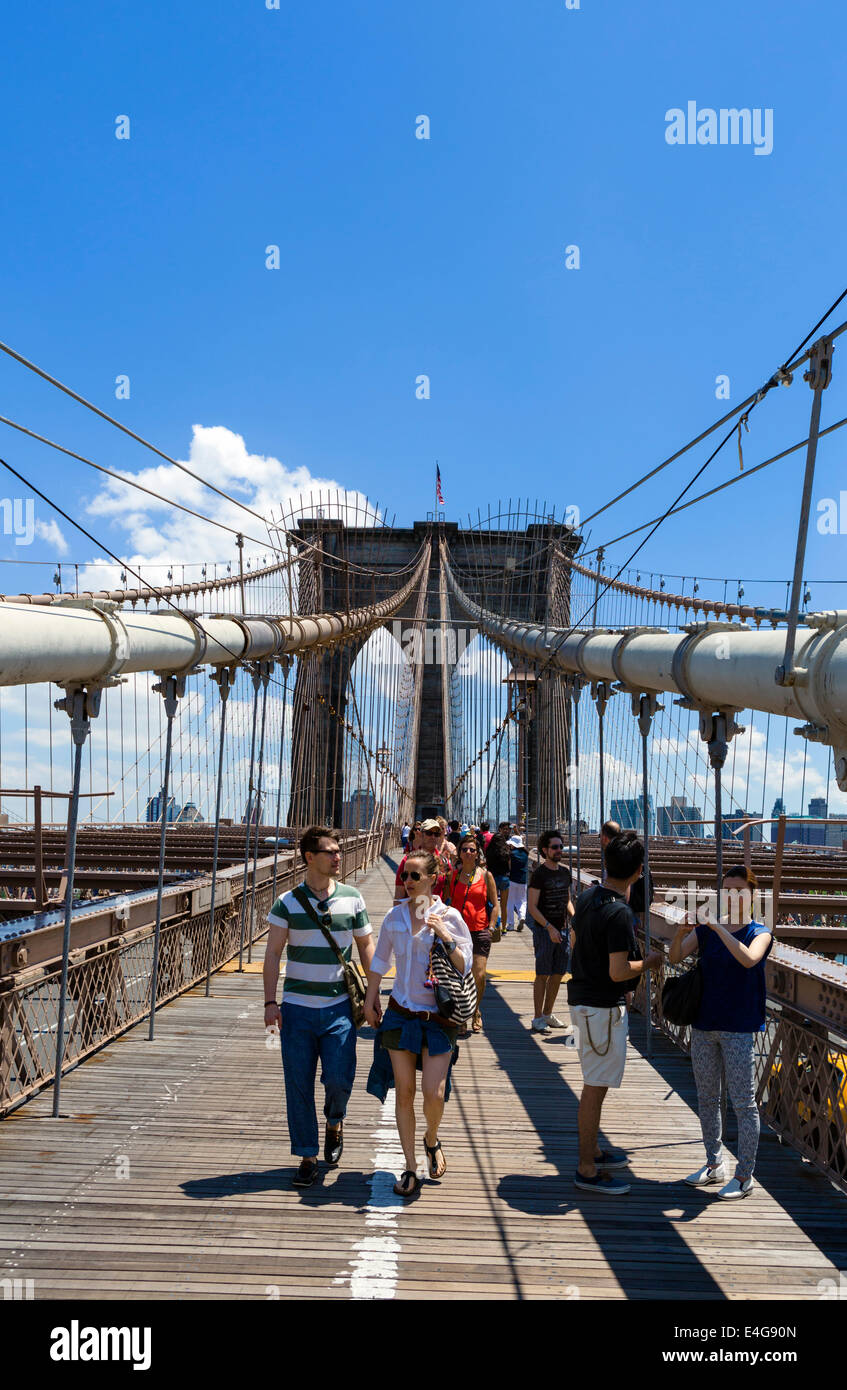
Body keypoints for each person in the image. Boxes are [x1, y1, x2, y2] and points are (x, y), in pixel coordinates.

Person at [264, 825, 375, 1188]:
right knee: (297, 1083)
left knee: (340, 1079)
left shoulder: (353, 898)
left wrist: (373, 998)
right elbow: (273, 955)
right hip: (296, 1008)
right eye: (330, 851)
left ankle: (334, 1120)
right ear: (310, 857)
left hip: (340, 1007)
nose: (338, 856)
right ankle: (307, 1155)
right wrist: (270, 1002)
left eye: (338, 851)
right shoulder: (287, 902)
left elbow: (367, 950)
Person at [364, 851, 473, 1197]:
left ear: (433, 878)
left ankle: (431, 1137)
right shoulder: (395, 917)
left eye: (414, 876)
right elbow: (379, 961)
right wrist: (370, 998)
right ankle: (410, 1167)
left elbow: (465, 964)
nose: (407, 882)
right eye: (404, 876)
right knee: (406, 1092)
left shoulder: (449, 916)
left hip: (439, 1020)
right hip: (401, 1013)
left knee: (433, 1094)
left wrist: (445, 934)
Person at [670, 864, 773, 1200]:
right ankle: (714, 1164)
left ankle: (745, 1175)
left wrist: (716, 926)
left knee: (744, 1103)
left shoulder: (761, 933)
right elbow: (674, 956)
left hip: (739, 1028)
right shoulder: (708, 931)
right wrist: (682, 930)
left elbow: (748, 960)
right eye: (725, 890)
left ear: (752, 895)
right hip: (704, 1024)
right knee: (708, 1098)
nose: (730, 896)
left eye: (738, 890)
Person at [567, 831, 663, 1195]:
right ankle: (586, 1168)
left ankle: (592, 1151)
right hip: (601, 1009)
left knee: (597, 1082)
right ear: (639, 871)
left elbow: (577, 943)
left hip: (583, 1001)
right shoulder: (620, 912)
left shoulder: (587, 896)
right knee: (594, 1087)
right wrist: (649, 962)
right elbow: (618, 972)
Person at [446, 834, 499, 1034]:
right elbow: (446, 901)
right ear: (459, 853)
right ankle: (461, 1015)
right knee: (459, 976)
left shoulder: (486, 876)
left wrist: (491, 927)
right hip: (458, 934)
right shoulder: (453, 876)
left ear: (478, 854)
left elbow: (495, 904)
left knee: (479, 974)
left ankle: (475, 1010)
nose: (468, 853)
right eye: (465, 849)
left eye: (472, 850)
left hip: (480, 931)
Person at [527, 829, 576, 1034]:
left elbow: (567, 900)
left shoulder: (565, 872)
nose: (558, 850)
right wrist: (548, 928)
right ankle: (537, 1017)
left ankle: (548, 1013)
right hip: (544, 931)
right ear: (545, 850)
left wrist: (575, 918)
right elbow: (532, 906)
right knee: (543, 974)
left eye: (560, 847)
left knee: (558, 974)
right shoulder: (539, 874)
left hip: (564, 930)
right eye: (554, 847)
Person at [394, 818, 451, 903]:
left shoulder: (444, 862)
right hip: (412, 912)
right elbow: (399, 895)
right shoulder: (408, 861)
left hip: (435, 913)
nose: (433, 837)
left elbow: (448, 894)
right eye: (429, 833)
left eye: (436, 834)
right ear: (421, 834)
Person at [485, 821, 513, 934]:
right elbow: (510, 866)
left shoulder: (490, 851)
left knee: (493, 903)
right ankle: (504, 928)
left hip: (492, 878)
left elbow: (487, 864)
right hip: (504, 878)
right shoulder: (506, 850)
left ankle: (493, 925)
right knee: (503, 905)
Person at [506, 829, 529, 931]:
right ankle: (522, 916)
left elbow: (509, 866)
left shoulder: (511, 854)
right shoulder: (525, 854)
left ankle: (510, 924)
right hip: (523, 880)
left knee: (510, 901)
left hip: (512, 879)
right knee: (522, 901)